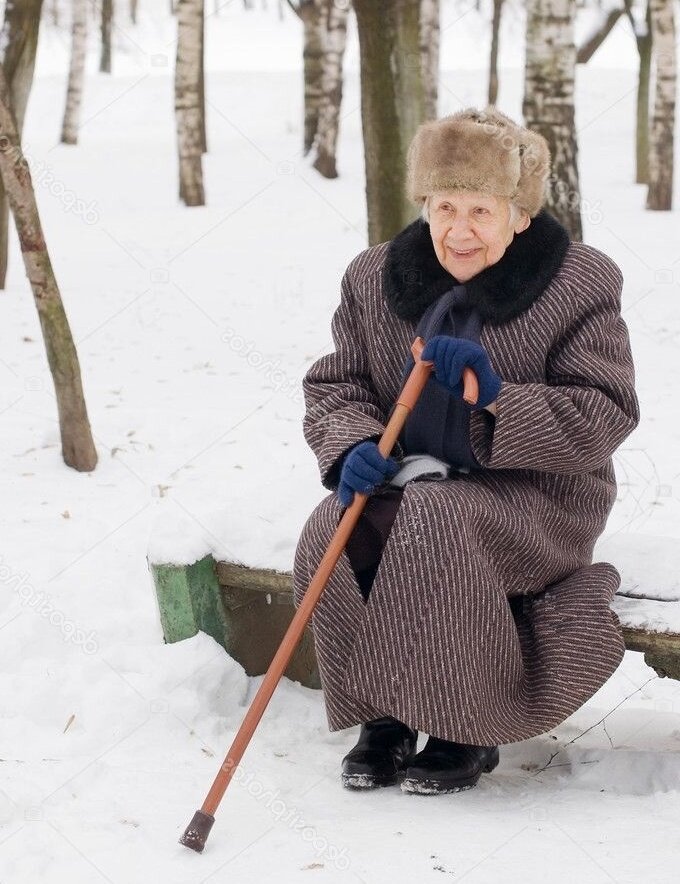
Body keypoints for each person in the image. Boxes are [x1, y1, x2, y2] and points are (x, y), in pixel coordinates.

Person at [292, 106, 640, 795]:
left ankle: (464, 729)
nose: (459, 230)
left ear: (518, 214)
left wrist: (496, 396)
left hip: (538, 496)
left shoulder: (578, 284)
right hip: (409, 475)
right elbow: (336, 384)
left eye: (481, 210)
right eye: (444, 206)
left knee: (438, 522)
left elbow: (605, 412)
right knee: (334, 526)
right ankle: (387, 717)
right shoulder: (373, 277)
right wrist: (354, 446)